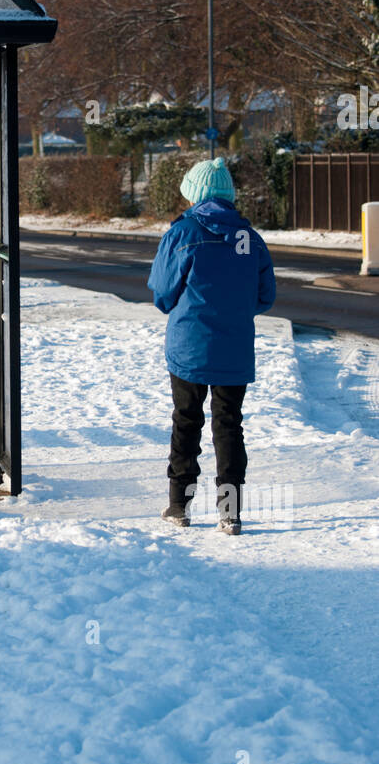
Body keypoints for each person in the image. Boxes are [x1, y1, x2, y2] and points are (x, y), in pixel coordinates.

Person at [147, 156, 276, 535]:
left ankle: (178, 505)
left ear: (197, 195)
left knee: (187, 422)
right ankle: (230, 513)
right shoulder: (248, 238)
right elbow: (264, 295)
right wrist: (233, 311)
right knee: (229, 425)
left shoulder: (185, 232)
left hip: (189, 348)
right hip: (234, 350)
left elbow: (163, 293)